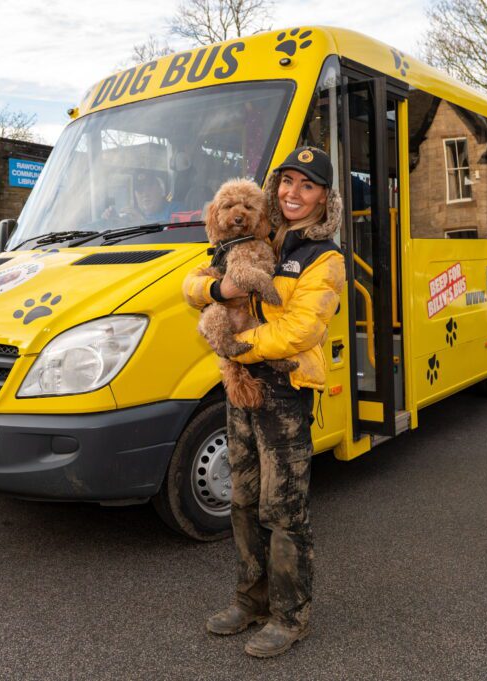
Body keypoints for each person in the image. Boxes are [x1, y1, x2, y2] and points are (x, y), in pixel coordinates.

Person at [182, 146, 345, 658]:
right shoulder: (260, 237)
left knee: (283, 508)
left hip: (284, 390)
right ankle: (249, 601)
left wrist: (236, 346)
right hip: (240, 386)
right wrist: (218, 286)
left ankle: (289, 616)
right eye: (287, 182)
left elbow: (300, 330)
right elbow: (190, 284)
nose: (293, 193)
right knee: (242, 499)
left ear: (324, 197)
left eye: (308, 185)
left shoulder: (325, 258)